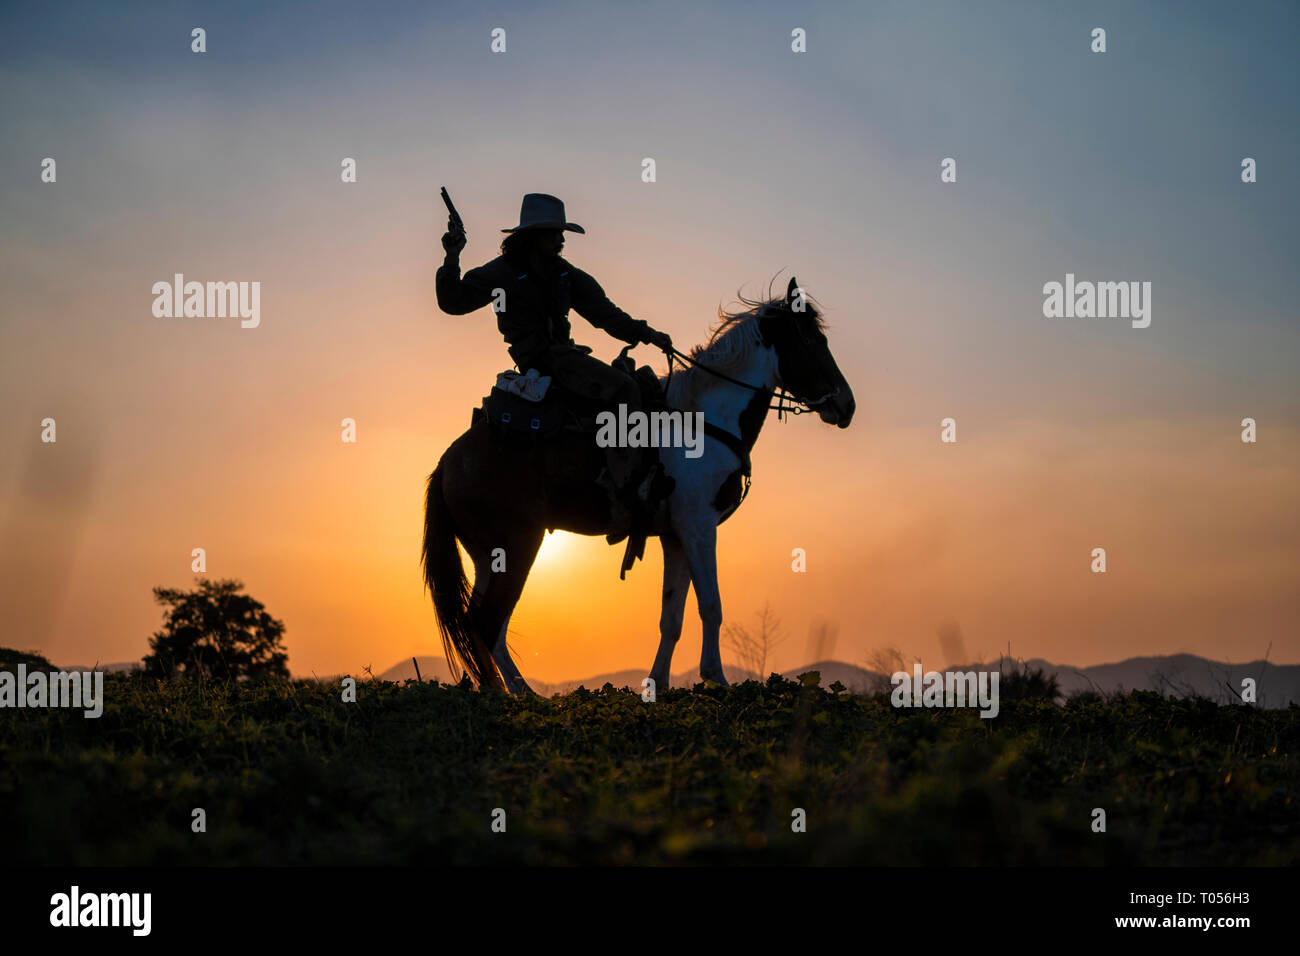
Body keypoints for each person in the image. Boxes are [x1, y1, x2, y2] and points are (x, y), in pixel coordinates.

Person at [436, 193, 674, 540]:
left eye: (561, 234)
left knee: (634, 385)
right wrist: (452, 255)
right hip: (546, 360)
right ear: (533, 236)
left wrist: (647, 333)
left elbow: (604, 313)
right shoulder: (501, 273)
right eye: (554, 233)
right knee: (625, 389)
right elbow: (453, 302)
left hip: (566, 356)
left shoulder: (565, 275)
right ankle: (624, 490)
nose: (561, 240)